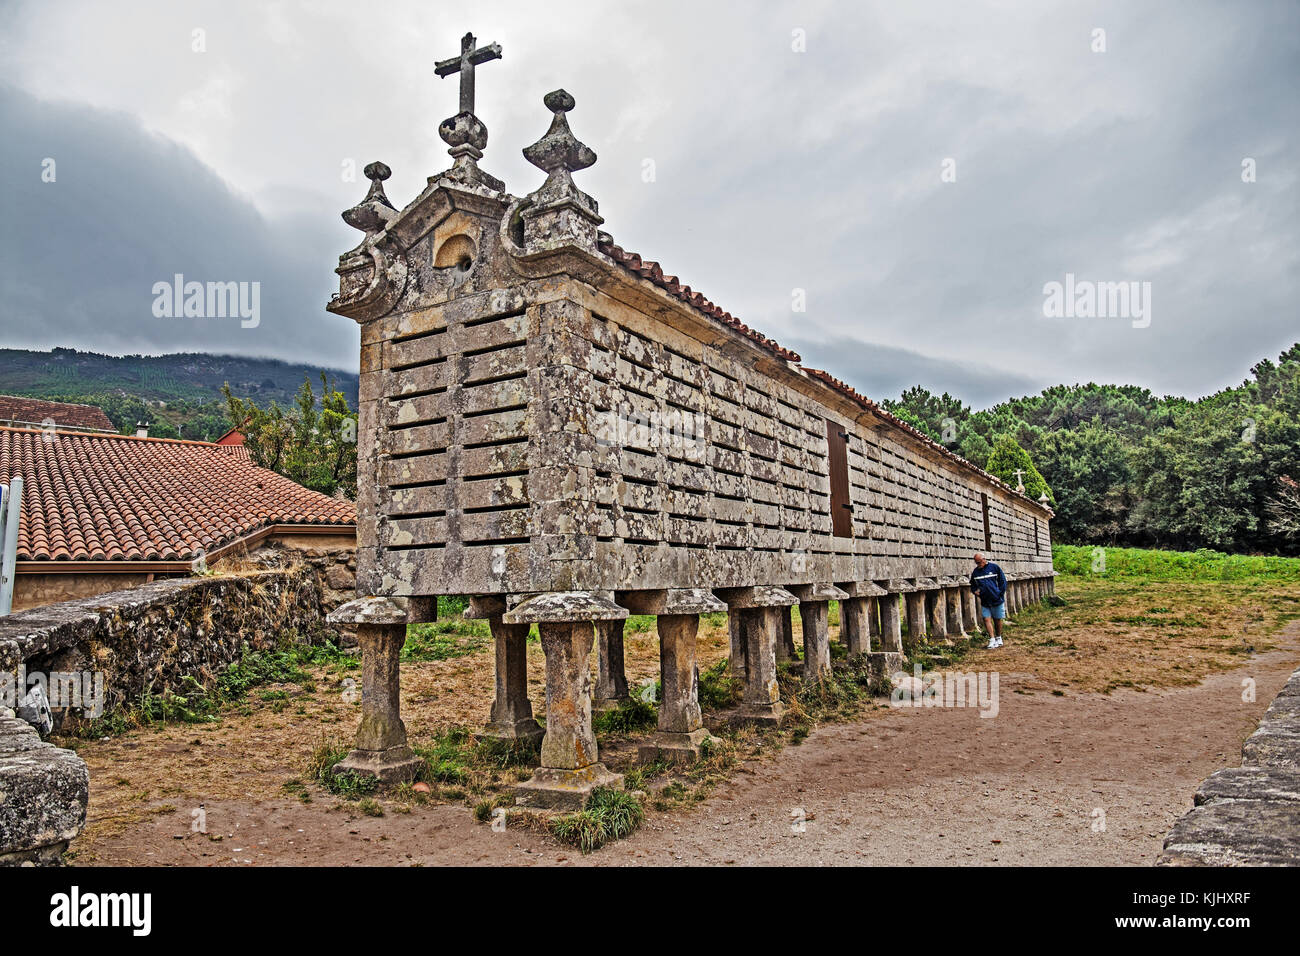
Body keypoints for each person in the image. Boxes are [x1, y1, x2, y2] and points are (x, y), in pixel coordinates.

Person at [970, 553, 1007, 649]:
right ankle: (992, 639)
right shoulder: (975, 572)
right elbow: (973, 585)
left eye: (979, 562)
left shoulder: (994, 568)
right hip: (985, 599)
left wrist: (1000, 593)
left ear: (984, 560)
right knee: (986, 619)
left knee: (997, 619)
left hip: (996, 598)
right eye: (976, 562)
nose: (978, 564)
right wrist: (975, 592)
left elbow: (1002, 581)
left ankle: (998, 637)